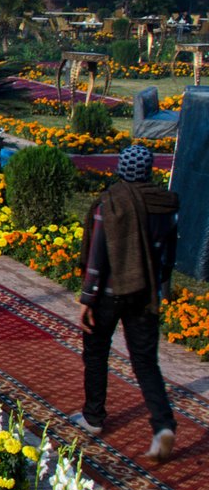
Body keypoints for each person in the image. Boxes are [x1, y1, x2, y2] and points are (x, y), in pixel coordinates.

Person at [70, 145, 180, 463]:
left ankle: (93, 417)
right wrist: (158, 285)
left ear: (122, 168)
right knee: (145, 362)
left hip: (108, 293)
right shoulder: (167, 204)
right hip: (145, 294)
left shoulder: (111, 202)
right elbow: (167, 257)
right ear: (148, 170)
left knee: (96, 353)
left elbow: (97, 255)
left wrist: (87, 297)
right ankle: (163, 426)